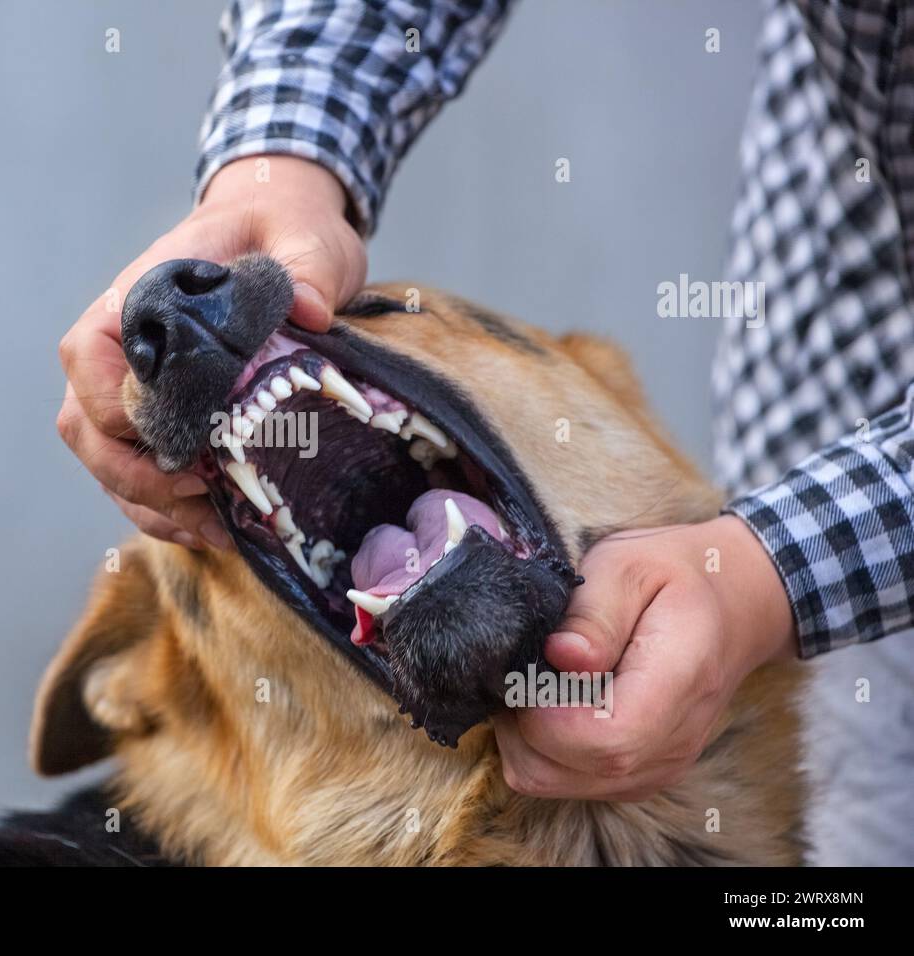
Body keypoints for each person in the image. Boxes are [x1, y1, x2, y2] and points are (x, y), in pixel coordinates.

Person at [57, 0, 914, 804]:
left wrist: (768, 579)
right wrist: (274, 170)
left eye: (379, 312)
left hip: (838, 605)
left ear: (602, 392)